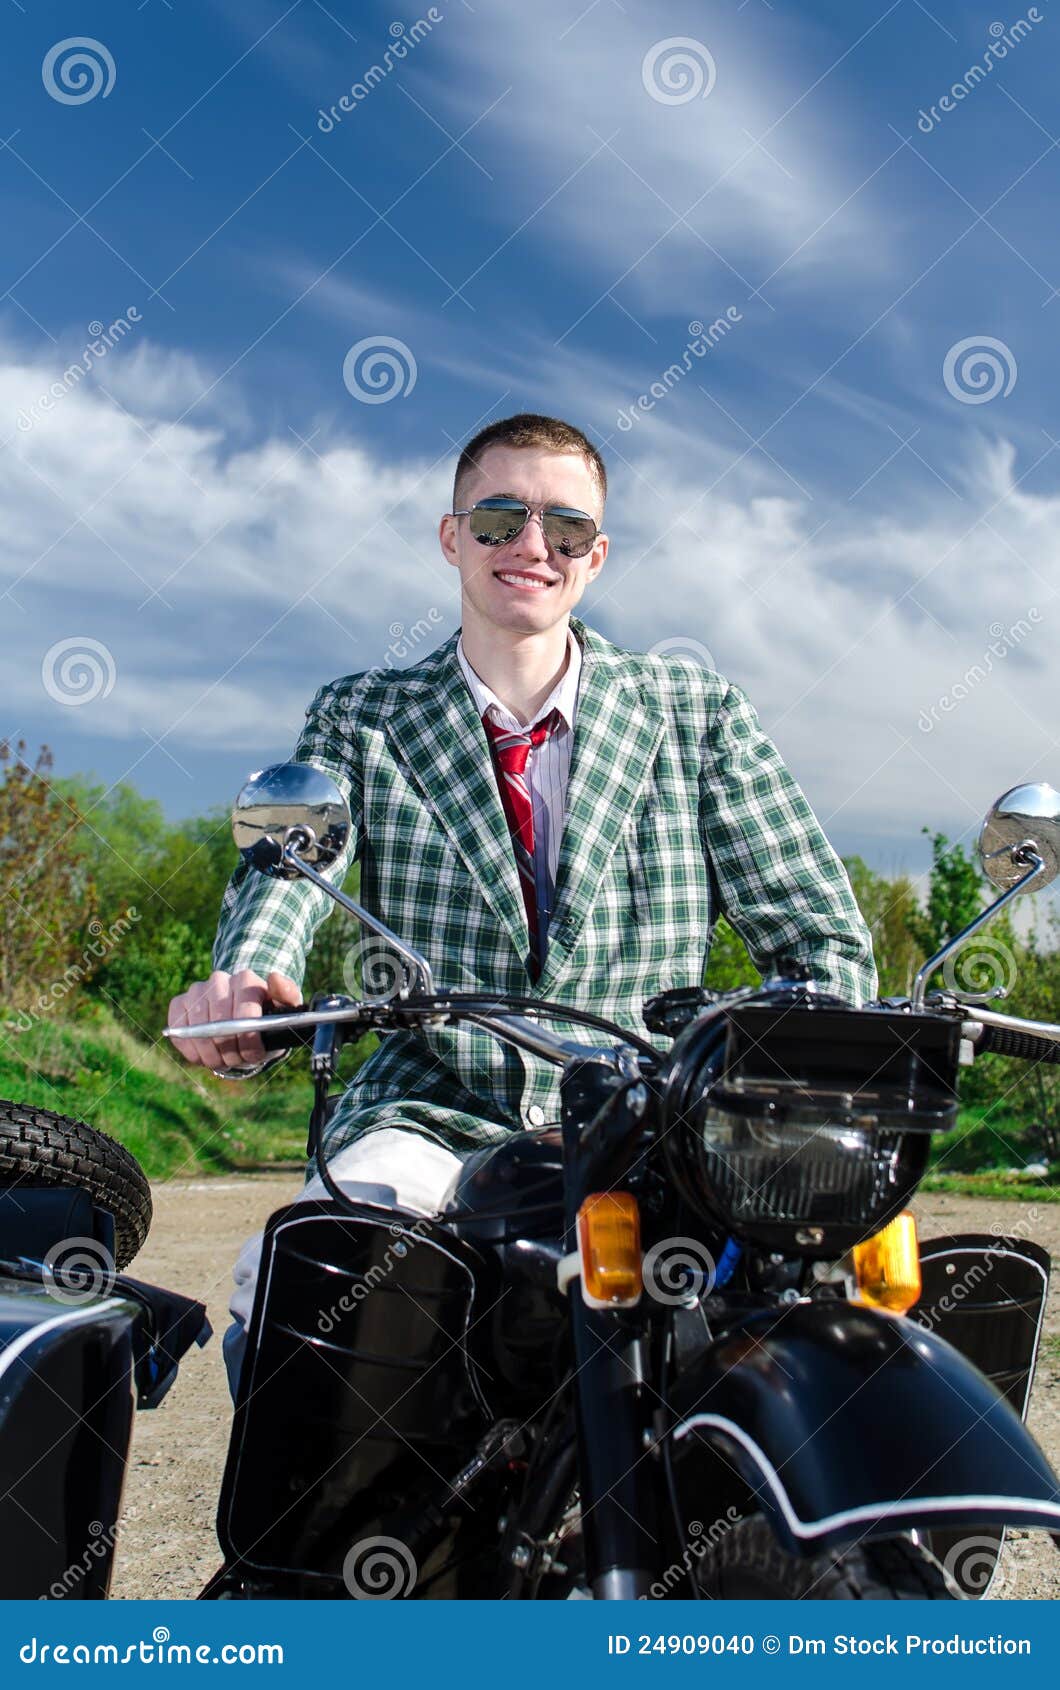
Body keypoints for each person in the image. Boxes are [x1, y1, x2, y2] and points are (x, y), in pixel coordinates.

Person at [167, 412, 877, 1395]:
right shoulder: (362, 714)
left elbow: (816, 938)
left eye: (566, 528)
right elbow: (288, 872)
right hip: (426, 1110)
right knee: (320, 1285)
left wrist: (806, 1070)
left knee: (789, 1326)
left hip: (650, 1126)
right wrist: (247, 986)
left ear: (597, 555)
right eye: (500, 517)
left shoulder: (696, 711)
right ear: (452, 536)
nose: (532, 547)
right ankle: (340, 1548)